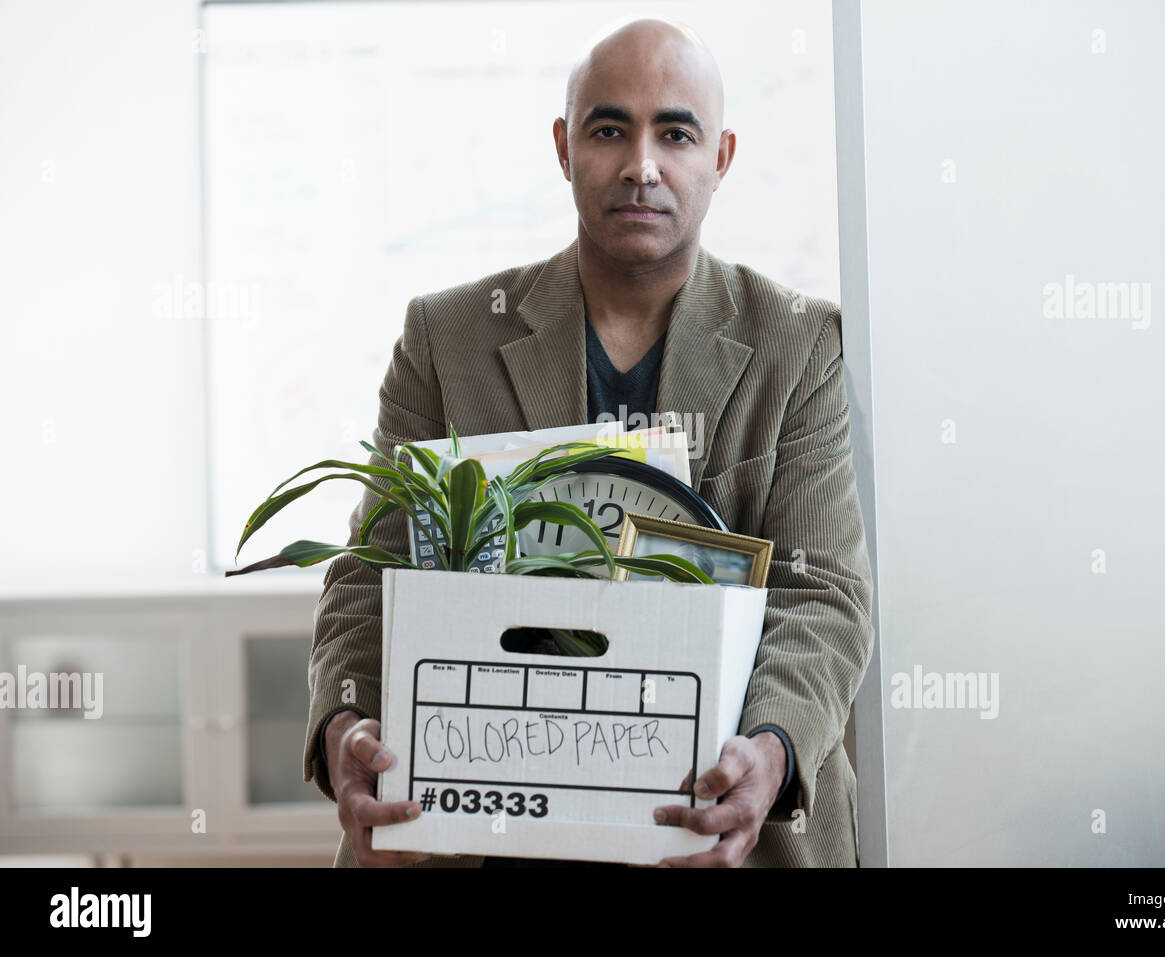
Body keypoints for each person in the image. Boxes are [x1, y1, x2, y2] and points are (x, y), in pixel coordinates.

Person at [306, 17, 875, 868]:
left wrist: (772, 749)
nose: (641, 165)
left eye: (674, 133)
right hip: (483, 830)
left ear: (719, 158)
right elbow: (368, 575)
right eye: (609, 129)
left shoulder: (800, 345)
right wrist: (347, 728)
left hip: (718, 831)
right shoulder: (446, 337)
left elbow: (823, 593)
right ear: (565, 147)